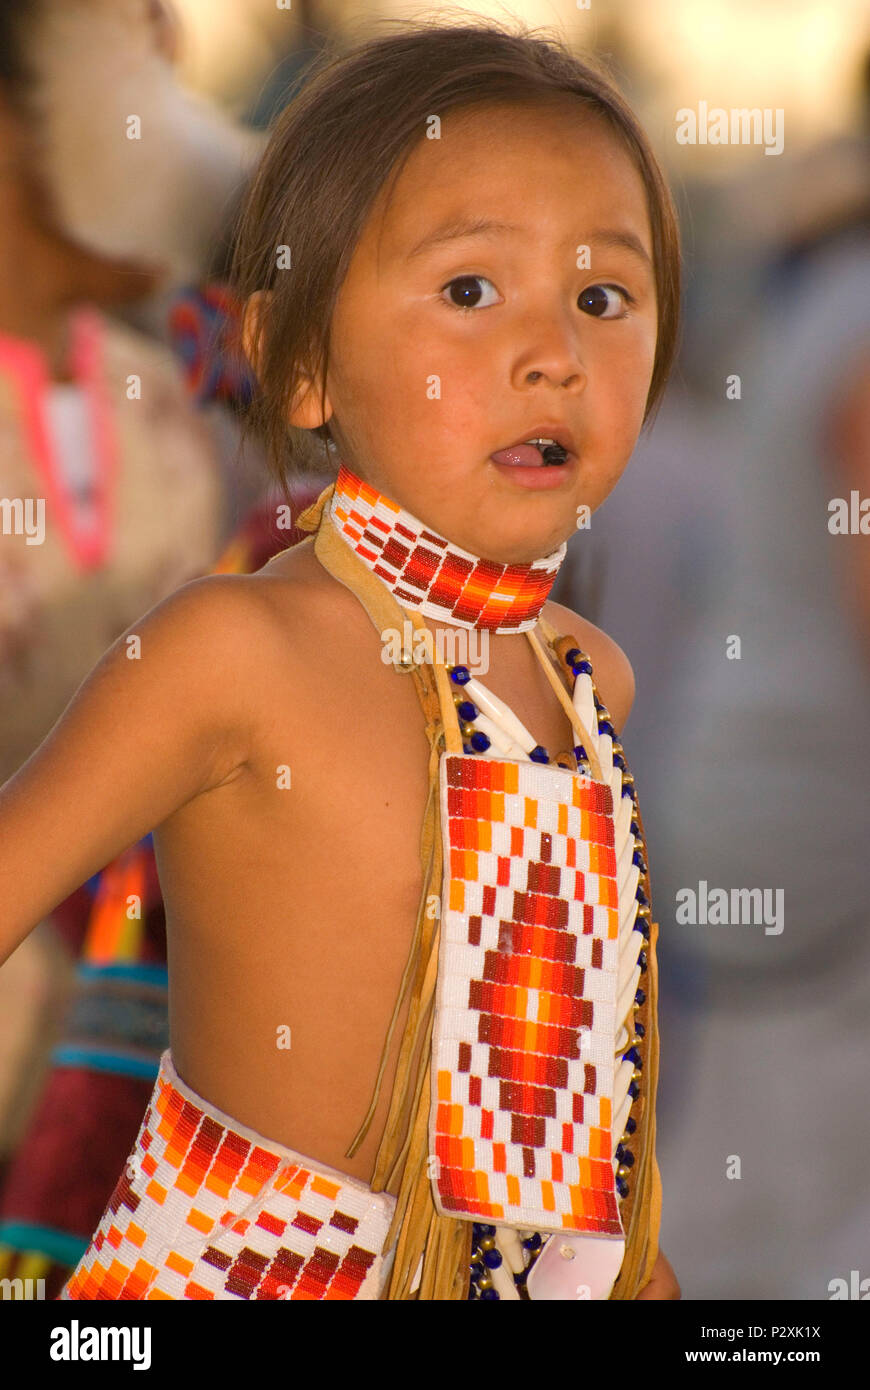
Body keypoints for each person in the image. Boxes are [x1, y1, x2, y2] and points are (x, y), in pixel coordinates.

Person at [0, 19, 681, 1300]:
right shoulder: (232, 649)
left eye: (605, 295)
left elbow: (574, 1146)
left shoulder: (591, 684)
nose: (554, 351)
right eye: (472, 289)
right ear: (297, 357)